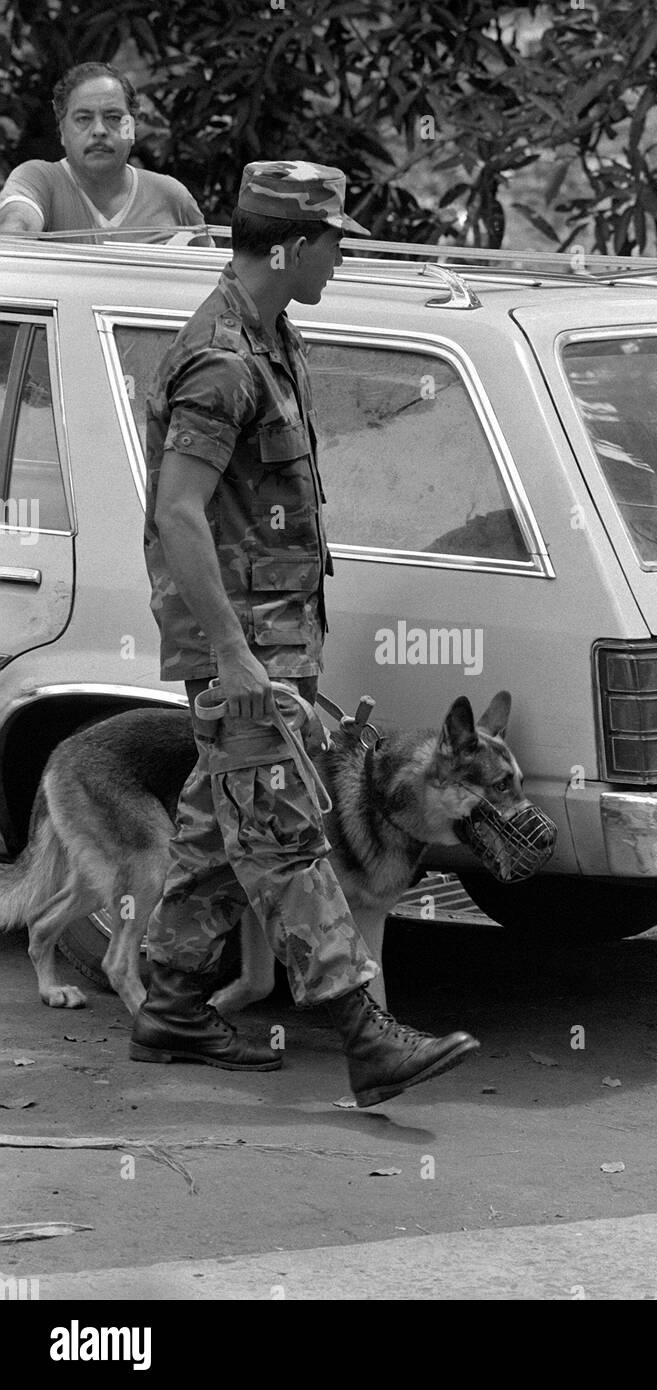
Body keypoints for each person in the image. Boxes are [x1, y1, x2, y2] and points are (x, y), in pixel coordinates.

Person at [129, 159, 479, 1106]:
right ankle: (367, 1036)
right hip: (240, 651)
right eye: (331, 243)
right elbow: (179, 514)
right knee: (283, 836)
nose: (339, 259)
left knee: (216, 830)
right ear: (288, 246)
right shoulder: (221, 361)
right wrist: (234, 657)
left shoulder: (272, 336)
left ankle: (168, 1006)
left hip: (268, 643)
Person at [0, 62, 210, 244]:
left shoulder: (172, 196)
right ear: (62, 131)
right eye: (83, 118)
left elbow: (215, 280)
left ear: (131, 129)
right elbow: (18, 224)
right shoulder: (39, 180)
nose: (99, 130)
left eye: (113, 117)